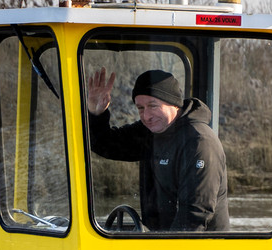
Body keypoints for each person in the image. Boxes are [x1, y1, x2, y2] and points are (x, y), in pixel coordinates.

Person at [84, 68, 229, 231]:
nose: (146, 116)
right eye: (140, 108)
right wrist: (96, 113)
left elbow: (193, 217)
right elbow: (105, 144)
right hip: (159, 241)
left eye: (153, 106)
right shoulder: (150, 132)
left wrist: (161, 245)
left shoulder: (199, 143)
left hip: (201, 245)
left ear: (174, 104)